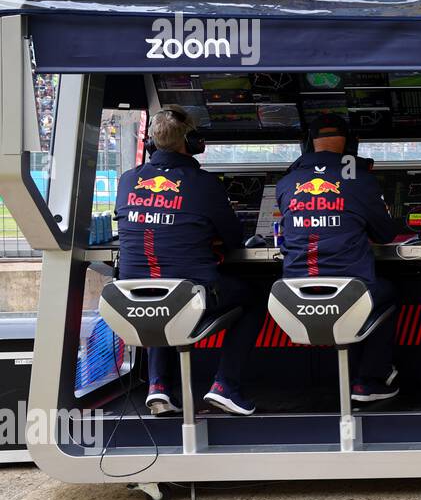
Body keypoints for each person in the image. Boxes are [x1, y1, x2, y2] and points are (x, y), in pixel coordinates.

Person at [116, 105, 261, 417]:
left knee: (156, 288)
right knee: (253, 298)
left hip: (129, 299)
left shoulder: (127, 181)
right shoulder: (204, 183)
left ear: (151, 143)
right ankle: (225, 385)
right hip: (188, 298)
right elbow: (235, 239)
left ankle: (158, 387)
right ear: (191, 142)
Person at [276, 114, 403, 403]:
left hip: (293, 297)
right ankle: (369, 378)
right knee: (387, 290)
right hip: (349, 296)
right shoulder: (360, 178)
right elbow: (384, 235)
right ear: (352, 146)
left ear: (306, 144)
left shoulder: (287, 182)